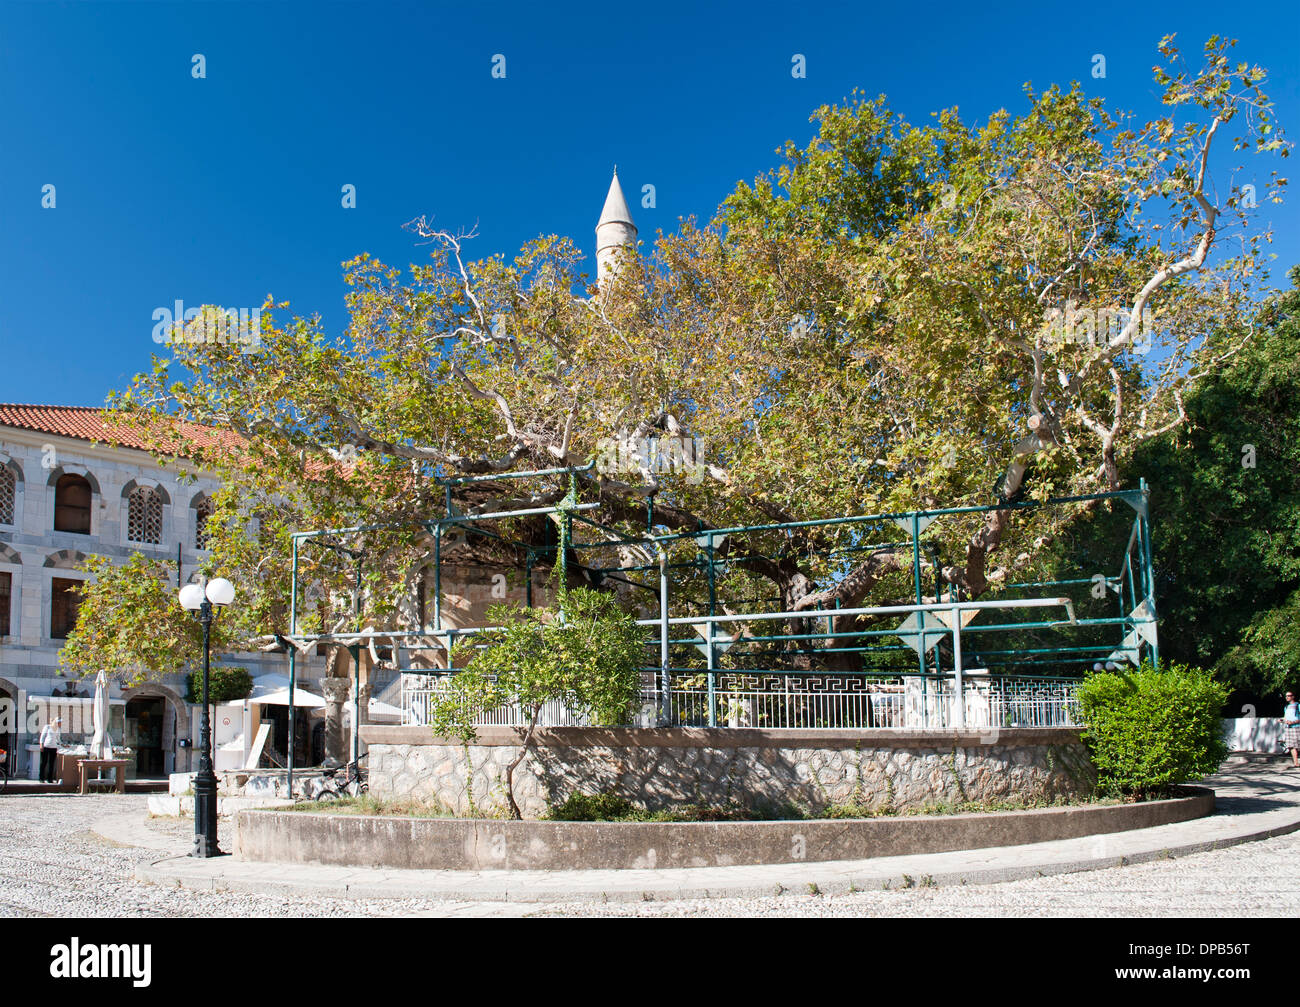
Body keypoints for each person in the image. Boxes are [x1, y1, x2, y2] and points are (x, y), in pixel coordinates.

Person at [39, 716, 62, 783]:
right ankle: (41, 778)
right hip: (46, 746)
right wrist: (41, 744)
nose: (60, 723)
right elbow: (43, 736)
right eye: (59, 722)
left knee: (51, 764)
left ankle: (50, 779)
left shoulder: (58, 729)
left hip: (53, 747)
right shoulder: (47, 727)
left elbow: (58, 738)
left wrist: (62, 744)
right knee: (43, 762)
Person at [1284, 692, 1300, 769]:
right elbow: (1285, 717)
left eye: (1289, 696)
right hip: (1288, 728)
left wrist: (1293, 722)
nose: (1287, 697)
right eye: (1286, 696)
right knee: (1291, 746)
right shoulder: (1286, 707)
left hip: (1296, 727)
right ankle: (1296, 762)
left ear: (1293, 697)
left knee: (1297, 744)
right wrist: (1283, 720)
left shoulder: (1297, 705)